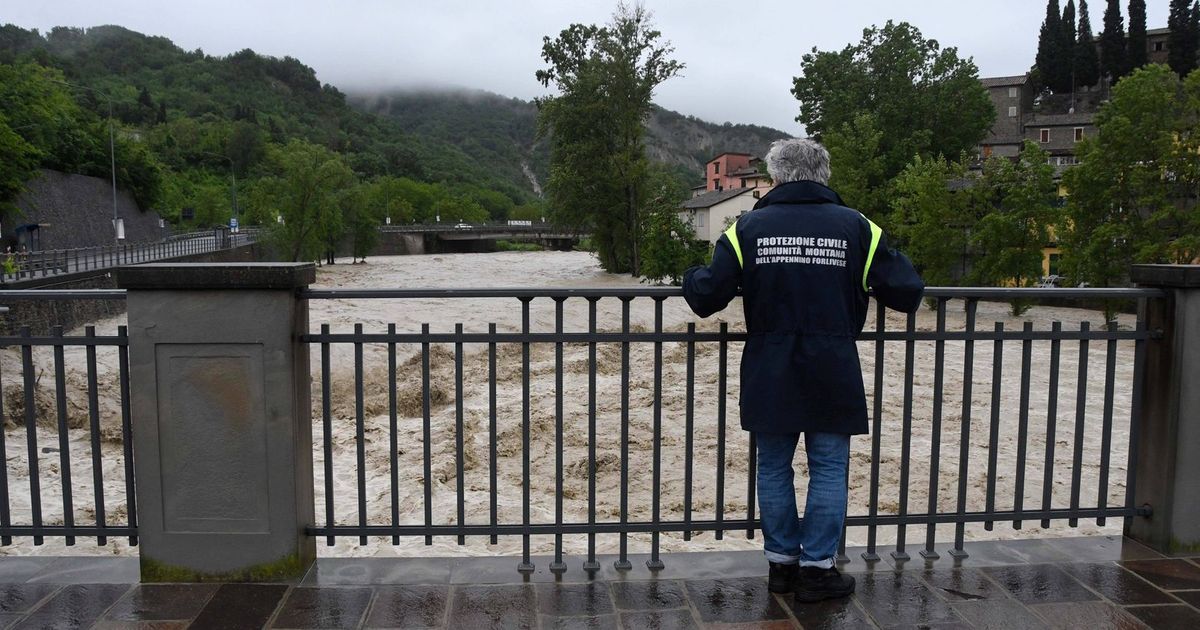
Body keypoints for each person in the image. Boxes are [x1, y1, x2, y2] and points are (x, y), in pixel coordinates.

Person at [682, 138, 923, 603]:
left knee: (773, 467)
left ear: (774, 178)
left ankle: (781, 567)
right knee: (829, 467)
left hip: (770, 364)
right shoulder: (858, 228)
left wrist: (691, 273)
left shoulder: (747, 227)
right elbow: (907, 292)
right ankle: (817, 571)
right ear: (824, 175)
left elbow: (708, 294)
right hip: (833, 363)